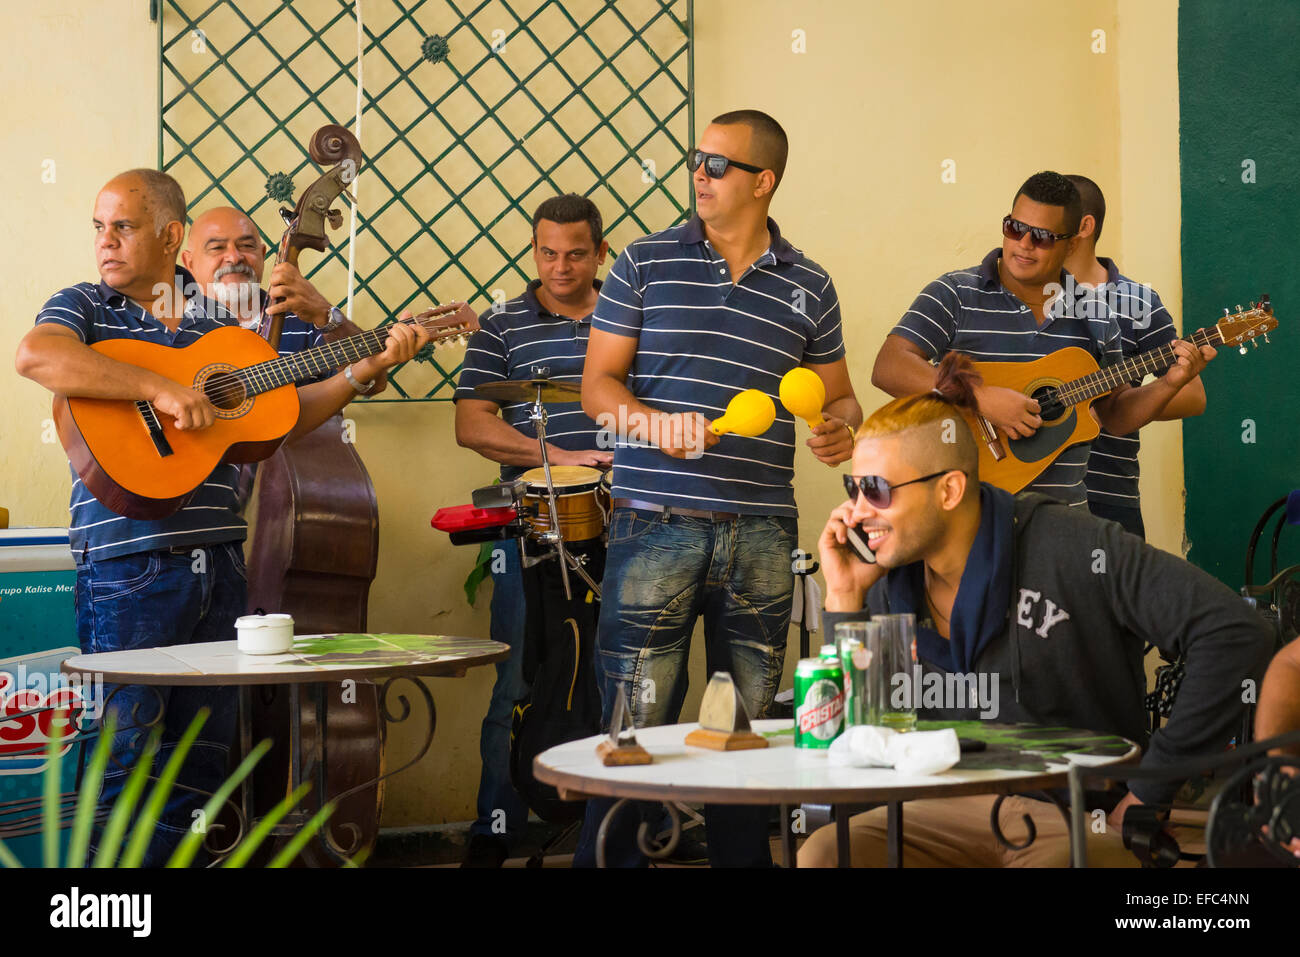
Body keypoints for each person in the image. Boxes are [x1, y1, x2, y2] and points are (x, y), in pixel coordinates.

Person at [13, 170, 430, 865]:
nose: (105, 242)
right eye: (99, 227)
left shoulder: (220, 333)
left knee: (203, 768)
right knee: (125, 761)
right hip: (129, 565)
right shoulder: (86, 304)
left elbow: (283, 420)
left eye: (123, 226)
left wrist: (363, 368)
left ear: (168, 236)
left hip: (221, 566)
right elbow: (37, 355)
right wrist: (163, 389)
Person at [797, 355, 1273, 866]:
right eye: (855, 488)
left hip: (1065, 814)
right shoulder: (885, 573)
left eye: (877, 490)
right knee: (826, 851)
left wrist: (1149, 793)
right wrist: (843, 599)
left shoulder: (1074, 546)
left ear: (950, 489)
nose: (859, 512)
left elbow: (1235, 632)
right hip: (930, 808)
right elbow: (849, 743)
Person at [577, 109, 862, 867]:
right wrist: (650, 423)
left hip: (763, 532)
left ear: (763, 181)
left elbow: (841, 400)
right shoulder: (644, 260)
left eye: (716, 164)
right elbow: (597, 388)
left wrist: (838, 428)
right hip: (653, 524)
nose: (698, 174)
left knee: (747, 740)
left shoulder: (811, 285)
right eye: (696, 160)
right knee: (630, 737)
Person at [872, 171, 1214, 508]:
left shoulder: (1096, 316)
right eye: (1014, 228)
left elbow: (1114, 414)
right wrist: (980, 398)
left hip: (1064, 525)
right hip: (964, 518)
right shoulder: (955, 293)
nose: (1024, 243)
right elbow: (889, 366)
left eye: (1043, 236)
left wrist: (1169, 384)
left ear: (1072, 244)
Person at [452, 193, 612, 867]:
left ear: (601, 252)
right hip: (529, 524)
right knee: (516, 675)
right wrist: (566, 457)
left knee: (622, 675)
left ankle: (610, 823)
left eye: (576, 253)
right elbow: (472, 423)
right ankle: (496, 828)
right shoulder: (503, 323)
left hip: (625, 518)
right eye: (547, 252)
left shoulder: (629, 314)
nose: (560, 266)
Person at [1063, 174, 1210, 539]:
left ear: (1084, 226)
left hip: (1108, 491)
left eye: (1052, 223)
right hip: (1026, 486)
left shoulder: (1138, 300)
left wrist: (1126, 404)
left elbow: (1193, 396)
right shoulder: (1026, 291)